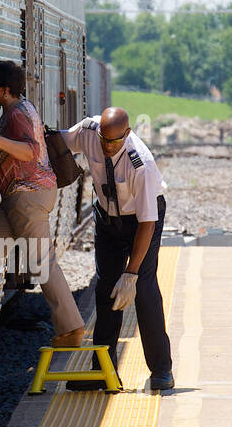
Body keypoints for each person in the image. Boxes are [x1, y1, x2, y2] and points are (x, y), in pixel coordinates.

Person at [59, 106, 174, 392]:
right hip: (108, 217)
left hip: (141, 220)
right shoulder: (88, 132)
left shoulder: (141, 165)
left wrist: (131, 273)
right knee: (105, 288)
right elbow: (57, 141)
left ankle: (162, 370)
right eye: (103, 140)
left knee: (144, 289)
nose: (106, 147)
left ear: (128, 134)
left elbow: (148, 223)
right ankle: (103, 371)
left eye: (114, 142)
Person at [0, 61, 85, 348]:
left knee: (42, 262)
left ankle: (72, 328)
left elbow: (31, 151)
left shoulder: (17, 114)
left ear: (5, 89)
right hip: (18, 198)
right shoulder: (21, 108)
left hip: (28, 196)